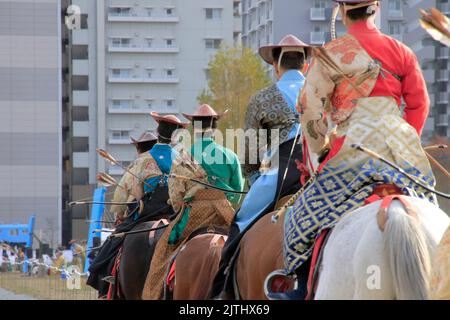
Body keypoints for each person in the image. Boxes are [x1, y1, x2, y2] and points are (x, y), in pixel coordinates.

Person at [283, 0, 436, 298]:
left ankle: (297, 288)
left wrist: (323, 150)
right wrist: (406, 141)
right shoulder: (401, 50)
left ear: (342, 11)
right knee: (431, 210)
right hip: (401, 151)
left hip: (350, 150)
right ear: (375, 8)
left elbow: (310, 109)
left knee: (298, 224)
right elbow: (419, 103)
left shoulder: (329, 55)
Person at [210, 35, 311, 298]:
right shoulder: (322, 92)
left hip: (280, 175)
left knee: (240, 223)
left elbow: (250, 157)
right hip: (320, 173)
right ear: (305, 65)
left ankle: (221, 289)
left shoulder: (263, 98)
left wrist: (255, 179)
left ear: (276, 65)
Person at [142, 104, 244, 300]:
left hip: (192, 216)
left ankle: (156, 293)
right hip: (225, 215)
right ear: (214, 127)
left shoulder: (182, 157)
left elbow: (175, 196)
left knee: (163, 251)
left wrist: (186, 203)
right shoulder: (230, 156)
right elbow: (238, 193)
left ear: (195, 128)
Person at [87, 114, 188, 298]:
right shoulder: (181, 160)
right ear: (175, 135)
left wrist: (120, 214)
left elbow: (122, 194)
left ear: (158, 132)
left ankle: (105, 287)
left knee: (110, 246)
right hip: (175, 216)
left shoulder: (142, 160)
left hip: (145, 215)